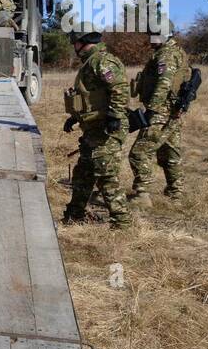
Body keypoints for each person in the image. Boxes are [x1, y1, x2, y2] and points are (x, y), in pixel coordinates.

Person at [62, 29, 131, 229]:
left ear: (81, 42)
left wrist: (115, 116)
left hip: (106, 129)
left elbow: (119, 88)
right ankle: (74, 215)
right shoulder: (91, 62)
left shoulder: (102, 61)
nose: (74, 48)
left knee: (105, 175)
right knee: (83, 173)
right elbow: (90, 98)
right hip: (93, 128)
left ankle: (122, 223)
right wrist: (74, 118)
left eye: (74, 44)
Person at [127, 26, 189, 204]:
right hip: (172, 112)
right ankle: (176, 192)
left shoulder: (166, 55)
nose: (150, 39)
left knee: (138, 153)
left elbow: (164, 83)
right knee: (169, 152)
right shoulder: (175, 51)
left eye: (153, 35)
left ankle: (142, 194)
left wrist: (152, 110)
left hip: (161, 112)